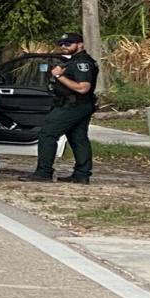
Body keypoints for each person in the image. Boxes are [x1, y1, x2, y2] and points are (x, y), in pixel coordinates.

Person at [22, 32, 99, 184]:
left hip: (73, 105)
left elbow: (83, 88)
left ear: (80, 44)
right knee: (78, 138)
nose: (64, 46)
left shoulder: (81, 63)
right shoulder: (75, 61)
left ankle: (43, 172)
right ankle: (81, 174)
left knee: (47, 134)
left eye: (68, 44)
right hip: (78, 104)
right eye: (62, 44)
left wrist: (59, 76)